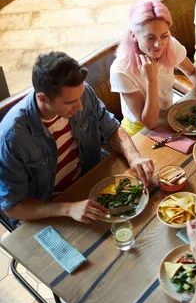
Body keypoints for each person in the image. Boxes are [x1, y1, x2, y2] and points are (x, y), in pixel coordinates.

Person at [0, 52, 154, 224]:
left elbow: (112, 128)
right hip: (48, 209)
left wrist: (134, 156)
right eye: (70, 102)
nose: (80, 106)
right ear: (42, 98)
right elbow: (12, 207)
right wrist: (68, 208)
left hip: (89, 184)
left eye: (80, 97)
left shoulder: (81, 93)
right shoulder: (11, 137)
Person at [110, 0, 196, 136]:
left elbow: (192, 71)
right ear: (133, 35)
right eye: (150, 38)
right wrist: (151, 79)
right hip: (140, 130)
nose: (159, 45)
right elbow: (150, 123)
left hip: (170, 115)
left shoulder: (170, 44)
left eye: (164, 36)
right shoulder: (120, 70)